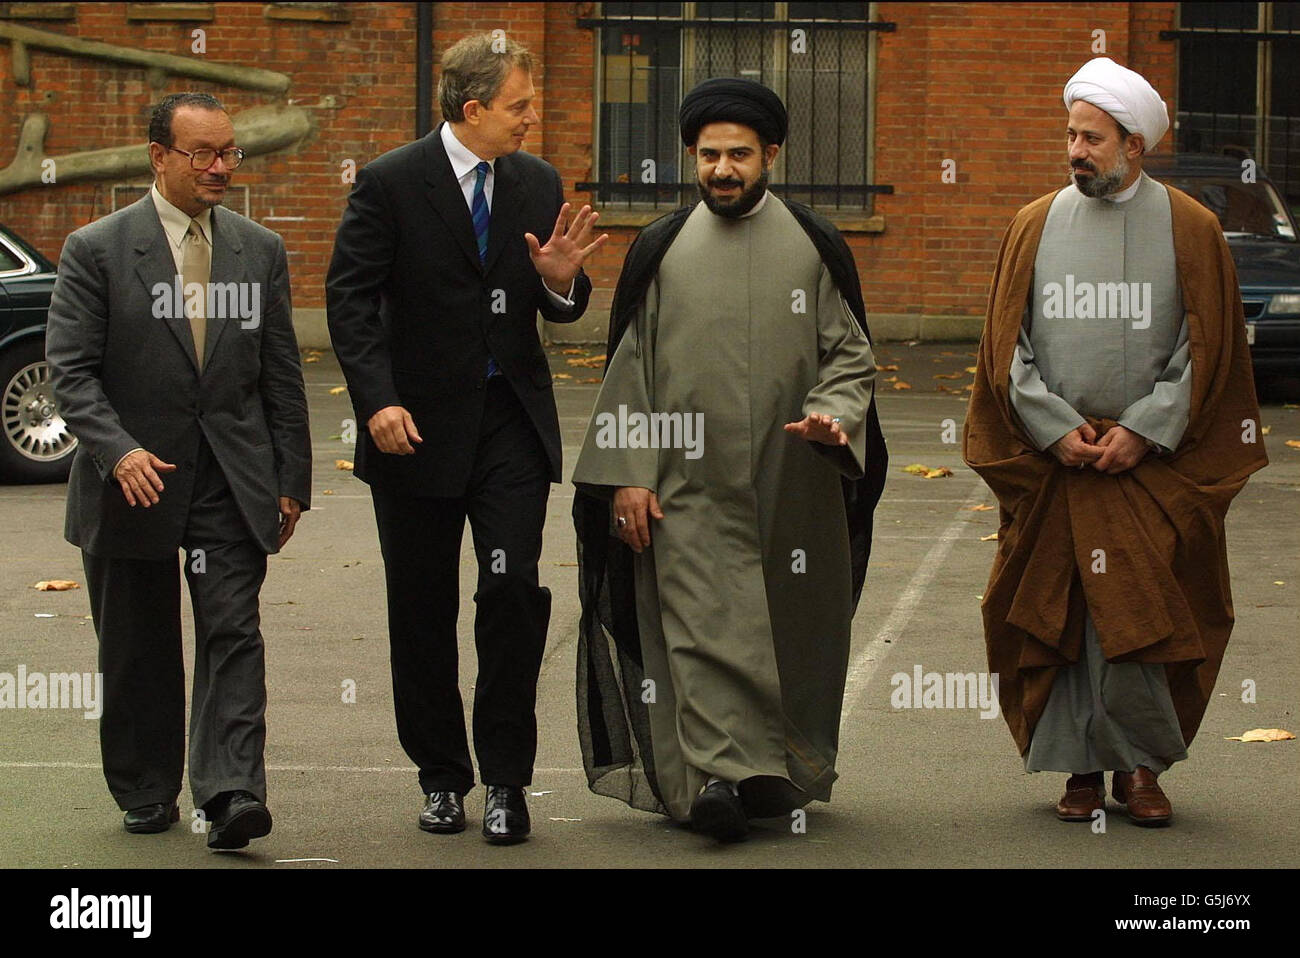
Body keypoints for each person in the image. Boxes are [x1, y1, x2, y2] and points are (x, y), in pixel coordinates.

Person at [571, 77, 888, 843]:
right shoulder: (662, 247)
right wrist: (627, 479)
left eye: (738, 154)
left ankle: (774, 769)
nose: (722, 169)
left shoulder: (813, 244)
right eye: (709, 154)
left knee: (788, 633)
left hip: (793, 487)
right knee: (699, 629)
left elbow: (851, 358)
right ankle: (714, 777)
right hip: (686, 487)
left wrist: (833, 418)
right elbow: (631, 373)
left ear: (770, 154)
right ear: (691, 156)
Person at [963, 57, 1267, 827]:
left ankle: (1138, 769)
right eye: (1070, 134)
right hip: (1056, 464)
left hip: (1153, 468)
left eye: (1091, 138)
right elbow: (1006, 345)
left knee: (1141, 617)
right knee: (1060, 615)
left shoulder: (1192, 227)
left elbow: (1210, 348)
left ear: (1134, 144)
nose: (1075, 151)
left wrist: (1146, 429)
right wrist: (1054, 428)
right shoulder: (1033, 224)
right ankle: (1078, 769)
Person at [326, 33, 605, 845]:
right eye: (519, 105)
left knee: (513, 593)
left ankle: (508, 783)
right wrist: (375, 401)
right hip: (412, 431)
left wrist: (560, 285)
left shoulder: (536, 180)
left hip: (508, 427)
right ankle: (443, 778)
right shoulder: (390, 183)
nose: (531, 118)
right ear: (472, 108)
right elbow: (350, 301)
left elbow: (563, 297)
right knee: (421, 610)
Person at [45, 92, 311, 850]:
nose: (221, 167)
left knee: (233, 631)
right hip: (132, 479)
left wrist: (291, 477)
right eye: (204, 154)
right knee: (137, 644)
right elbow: (71, 373)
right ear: (158, 156)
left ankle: (231, 793)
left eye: (230, 152)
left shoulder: (259, 250)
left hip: (230, 478)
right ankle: (145, 785)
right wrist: (117, 449)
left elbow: (282, 375)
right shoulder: (96, 248)